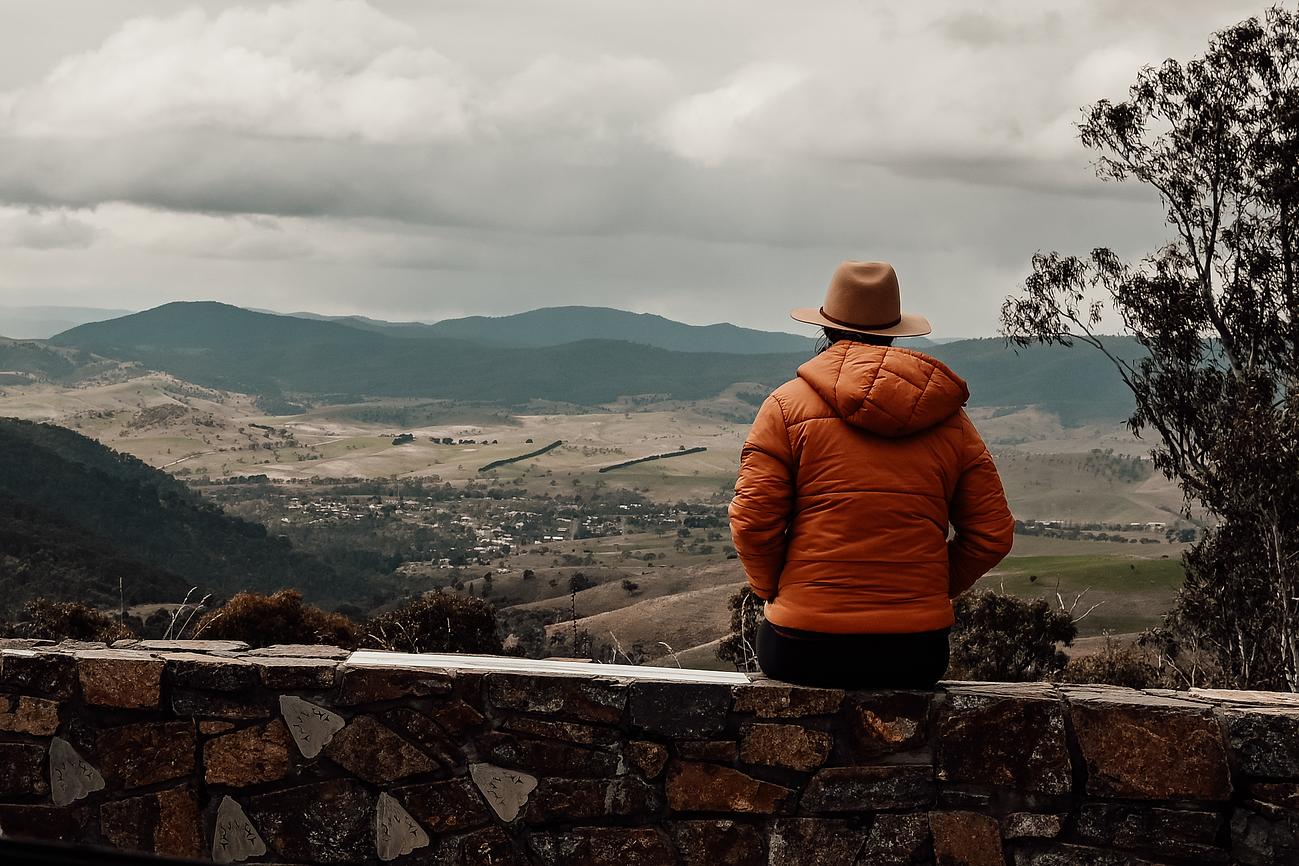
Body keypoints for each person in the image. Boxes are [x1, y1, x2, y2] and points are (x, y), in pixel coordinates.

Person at [728, 260, 1014, 689]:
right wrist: (924, 594)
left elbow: (752, 522)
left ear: (826, 329)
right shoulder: (951, 421)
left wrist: (775, 590)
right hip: (915, 652)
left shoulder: (784, 407)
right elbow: (993, 534)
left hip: (802, 648)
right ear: (895, 331)